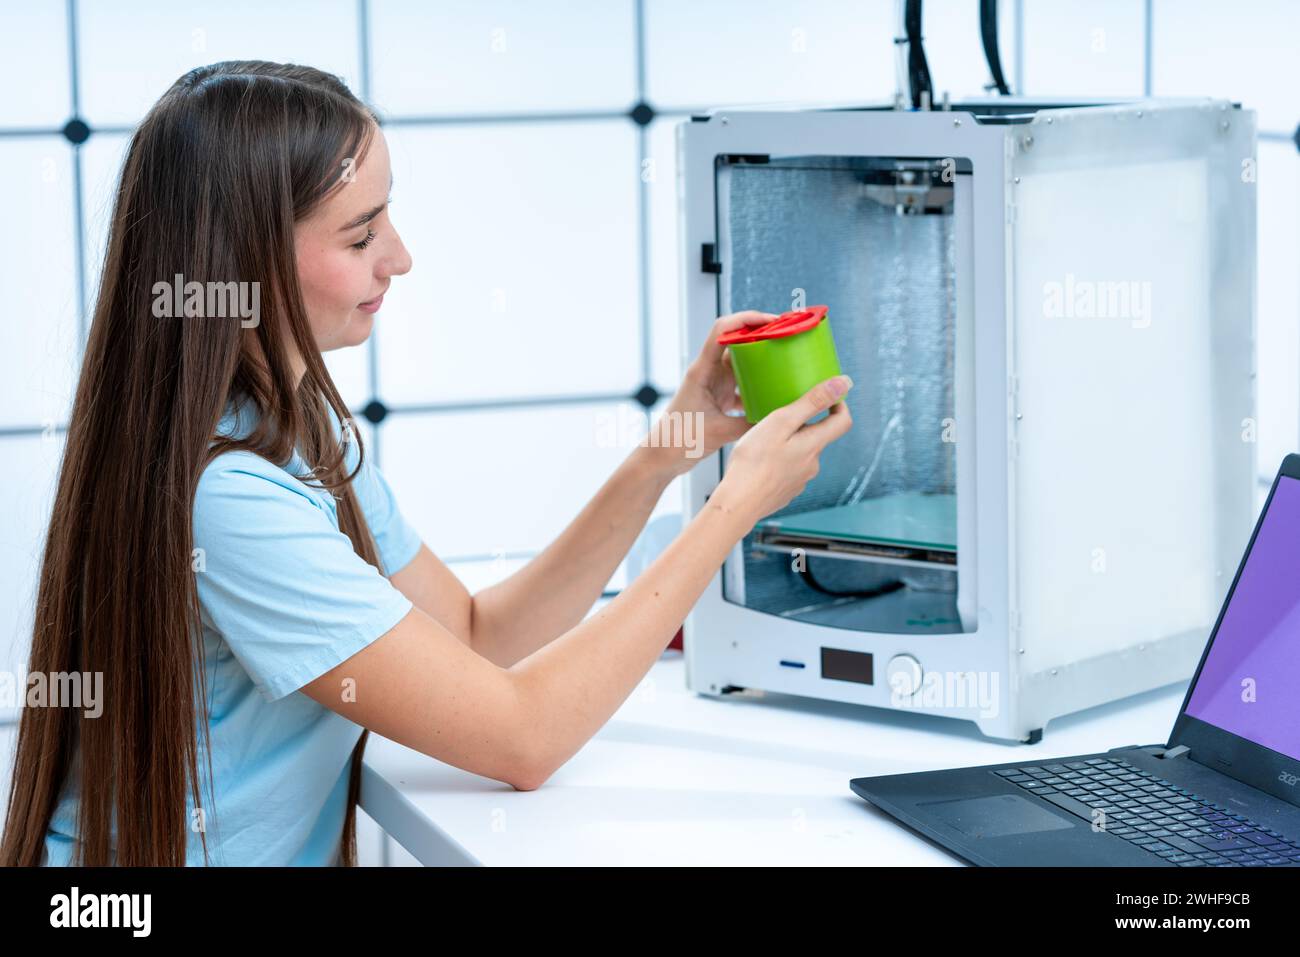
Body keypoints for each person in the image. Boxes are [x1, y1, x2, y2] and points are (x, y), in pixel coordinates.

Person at [0, 61, 853, 867]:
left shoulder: (293, 430)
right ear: (245, 261)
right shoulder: (227, 497)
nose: (398, 256)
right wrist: (732, 508)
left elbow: (477, 638)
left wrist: (671, 449)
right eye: (362, 232)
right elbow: (524, 737)